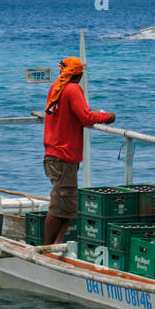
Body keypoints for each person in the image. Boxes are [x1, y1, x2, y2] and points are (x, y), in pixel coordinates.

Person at [42, 56, 116, 245]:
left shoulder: (55, 88)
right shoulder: (73, 89)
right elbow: (85, 117)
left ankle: (56, 242)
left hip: (53, 153)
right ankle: (48, 246)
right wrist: (107, 116)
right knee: (61, 205)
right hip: (63, 155)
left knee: (67, 203)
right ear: (80, 75)